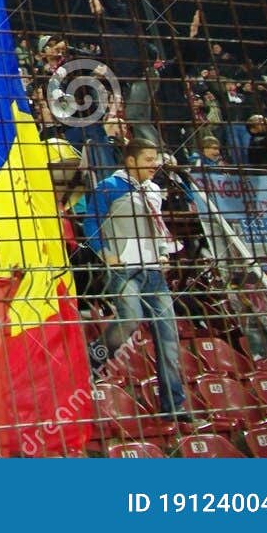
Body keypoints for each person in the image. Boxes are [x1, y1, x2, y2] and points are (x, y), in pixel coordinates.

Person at [88, 138, 189, 420]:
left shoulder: (154, 190)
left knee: (168, 337)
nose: (154, 165)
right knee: (130, 319)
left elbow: (157, 226)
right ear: (131, 161)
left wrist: (162, 252)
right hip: (124, 268)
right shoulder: (109, 186)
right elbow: (90, 222)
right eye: (148, 159)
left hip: (154, 270)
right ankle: (91, 359)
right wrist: (105, 253)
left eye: (155, 159)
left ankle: (174, 406)